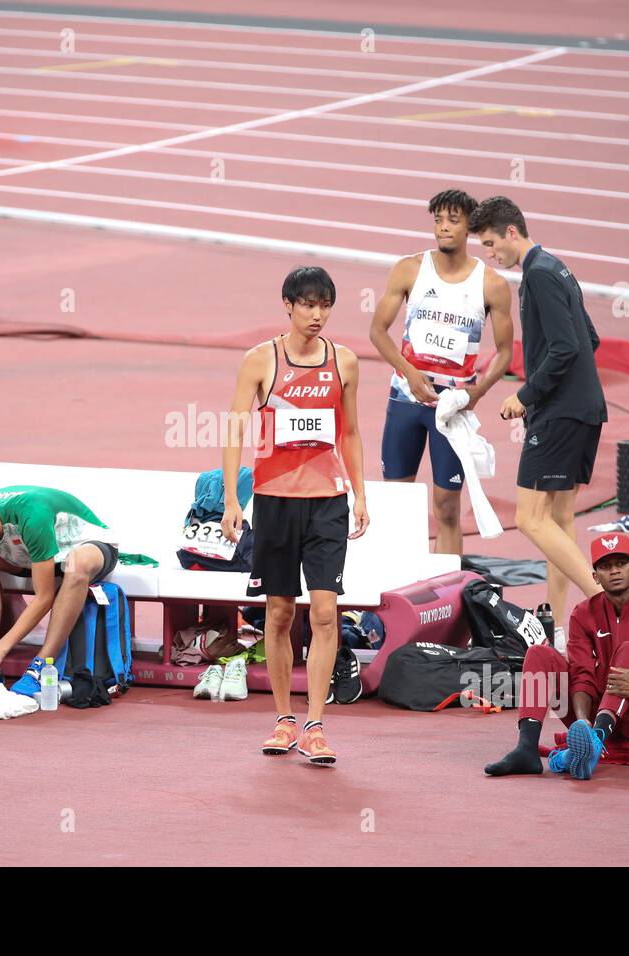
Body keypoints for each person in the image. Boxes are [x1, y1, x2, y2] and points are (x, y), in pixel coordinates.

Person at [220, 266, 369, 766]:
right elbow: (235, 431)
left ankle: (316, 725)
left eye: (325, 305)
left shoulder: (344, 362)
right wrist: (231, 500)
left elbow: (349, 433)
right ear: (287, 304)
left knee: (325, 612)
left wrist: (361, 495)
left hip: (327, 501)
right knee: (280, 613)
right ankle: (284, 718)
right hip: (276, 500)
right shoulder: (261, 360)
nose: (317, 314)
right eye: (307, 304)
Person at [470, 196, 607, 631]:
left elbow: (568, 347)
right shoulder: (557, 267)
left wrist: (526, 396)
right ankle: (557, 626)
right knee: (560, 519)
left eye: (492, 244)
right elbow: (591, 338)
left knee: (530, 518)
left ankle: (607, 605)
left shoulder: (539, 277)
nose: (491, 255)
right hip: (584, 410)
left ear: (512, 232)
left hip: (559, 416)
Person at [370, 189, 514, 555]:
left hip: (451, 409)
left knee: (446, 507)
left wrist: (475, 394)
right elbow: (377, 331)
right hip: (405, 399)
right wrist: (409, 372)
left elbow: (505, 352)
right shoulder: (410, 269)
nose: (443, 228)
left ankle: (446, 597)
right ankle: (397, 586)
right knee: (397, 502)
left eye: (453, 220)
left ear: (470, 227)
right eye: (438, 220)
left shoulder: (491, 284)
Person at [484, 533, 629, 780]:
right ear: (595, 577)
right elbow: (582, 676)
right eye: (605, 566)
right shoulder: (583, 613)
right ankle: (527, 748)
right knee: (539, 653)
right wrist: (581, 721)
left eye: (621, 564)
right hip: (596, 711)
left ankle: (596, 739)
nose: (614, 571)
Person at [0, 486, 142, 696]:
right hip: (31, 554)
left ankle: (40, 667)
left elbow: (44, 598)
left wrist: (1, 649)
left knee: (77, 564)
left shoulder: (32, 516)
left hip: (85, 546)